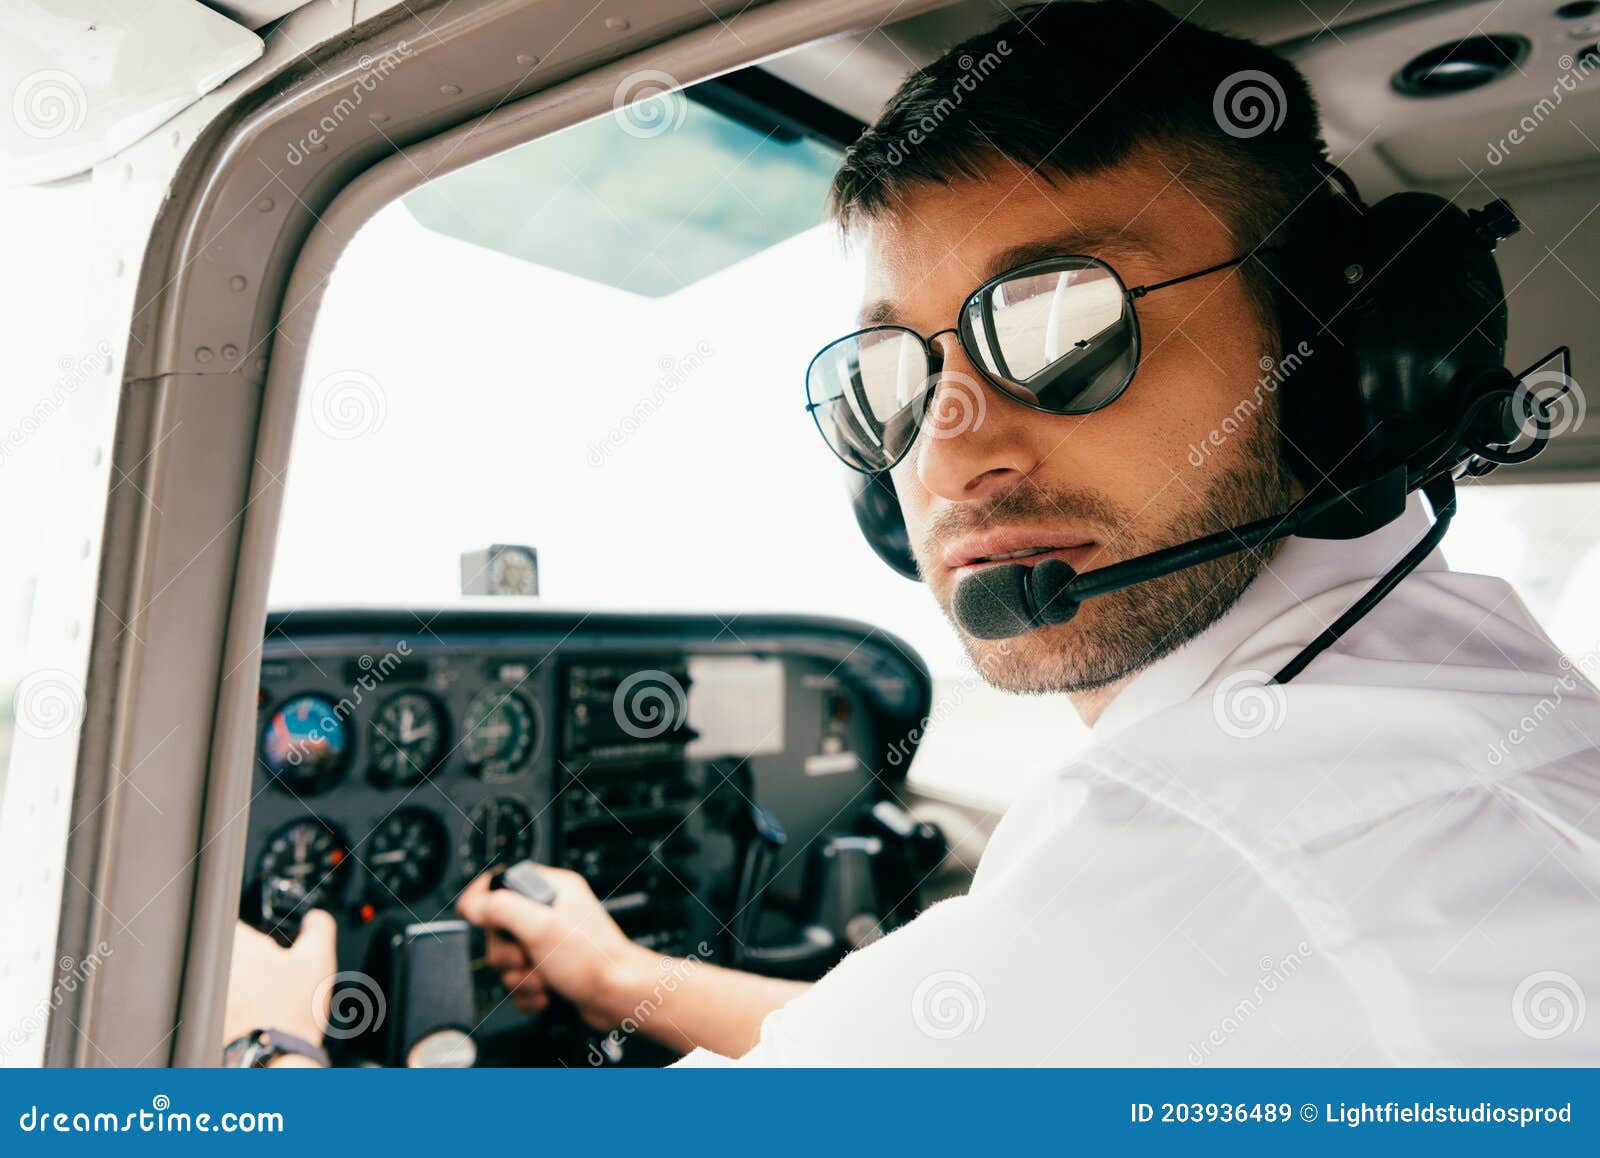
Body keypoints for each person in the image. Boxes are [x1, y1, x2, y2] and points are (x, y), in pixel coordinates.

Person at [227, 0, 1600, 1065]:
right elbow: (929, 1048)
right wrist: (620, 976)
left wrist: (261, 1045)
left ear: (1336, 352)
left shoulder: (1212, 850)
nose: (951, 442)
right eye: (896, 374)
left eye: (1062, 323)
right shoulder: (1465, 694)